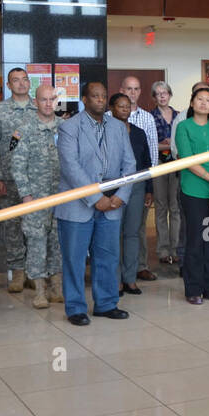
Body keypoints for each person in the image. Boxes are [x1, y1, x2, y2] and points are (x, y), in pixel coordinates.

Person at [54, 82, 135, 326]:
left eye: (103, 96)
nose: (100, 100)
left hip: (113, 202)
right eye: (95, 96)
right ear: (84, 99)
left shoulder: (118, 128)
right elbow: (70, 167)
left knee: (108, 256)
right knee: (75, 259)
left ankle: (107, 303)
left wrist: (122, 195)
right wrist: (95, 198)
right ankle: (76, 308)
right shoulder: (69, 128)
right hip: (78, 204)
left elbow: (130, 164)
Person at [174, 86, 209, 304]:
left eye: (208, 100)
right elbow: (188, 160)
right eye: (200, 99)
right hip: (194, 191)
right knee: (196, 240)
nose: (204, 103)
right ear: (192, 103)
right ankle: (193, 289)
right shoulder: (184, 127)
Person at [13, 85, 65, 310]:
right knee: (36, 244)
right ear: (35, 102)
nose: (48, 104)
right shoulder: (23, 130)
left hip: (62, 198)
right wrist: (25, 194)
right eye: (43, 99)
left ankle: (57, 288)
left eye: (52, 99)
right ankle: (40, 290)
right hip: (35, 198)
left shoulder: (65, 129)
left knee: (58, 243)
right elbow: (17, 166)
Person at [0, 67, 38, 292]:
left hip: (36, 178)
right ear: (8, 85)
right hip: (8, 179)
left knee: (35, 226)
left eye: (24, 80)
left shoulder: (39, 107)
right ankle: (18, 272)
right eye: (15, 80)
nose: (21, 84)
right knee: (13, 226)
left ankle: (34, 271)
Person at [109, 92, 153, 296]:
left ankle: (130, 279)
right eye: (120, 106)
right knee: (114, 234)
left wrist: (149, 189)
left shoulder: (138, 132)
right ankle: (115, 280)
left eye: (127, 106)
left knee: (132, 233)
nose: (125, 109)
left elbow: (146, 163)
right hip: (113, 187)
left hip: (136, 187)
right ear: (112, 109)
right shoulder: (105, 130)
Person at [120, 75, 159, 281]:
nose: (132, 93)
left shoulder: (147, 119)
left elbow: (150, 156)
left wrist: (149, 187)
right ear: (121, 90)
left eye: (136, 89)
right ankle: (118, 273)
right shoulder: (109, 118)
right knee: (116, 230)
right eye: (128, 88)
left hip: (139, 182)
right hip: (115, 185)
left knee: (137, 228)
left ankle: (138, 267)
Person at [150, 81, 182, 265]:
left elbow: (181, 142)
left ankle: (176, 249)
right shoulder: (150, 116)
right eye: (158, 94)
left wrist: (168, 144)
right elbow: (151, 144)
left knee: (175, 208)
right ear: (154, 97)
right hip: (160, 165)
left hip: (177, 165)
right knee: (161, 208)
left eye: (165, 93)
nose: (162, 96)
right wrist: (168, 144)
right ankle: (163, 250)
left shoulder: (179, 115)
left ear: (170, 95)